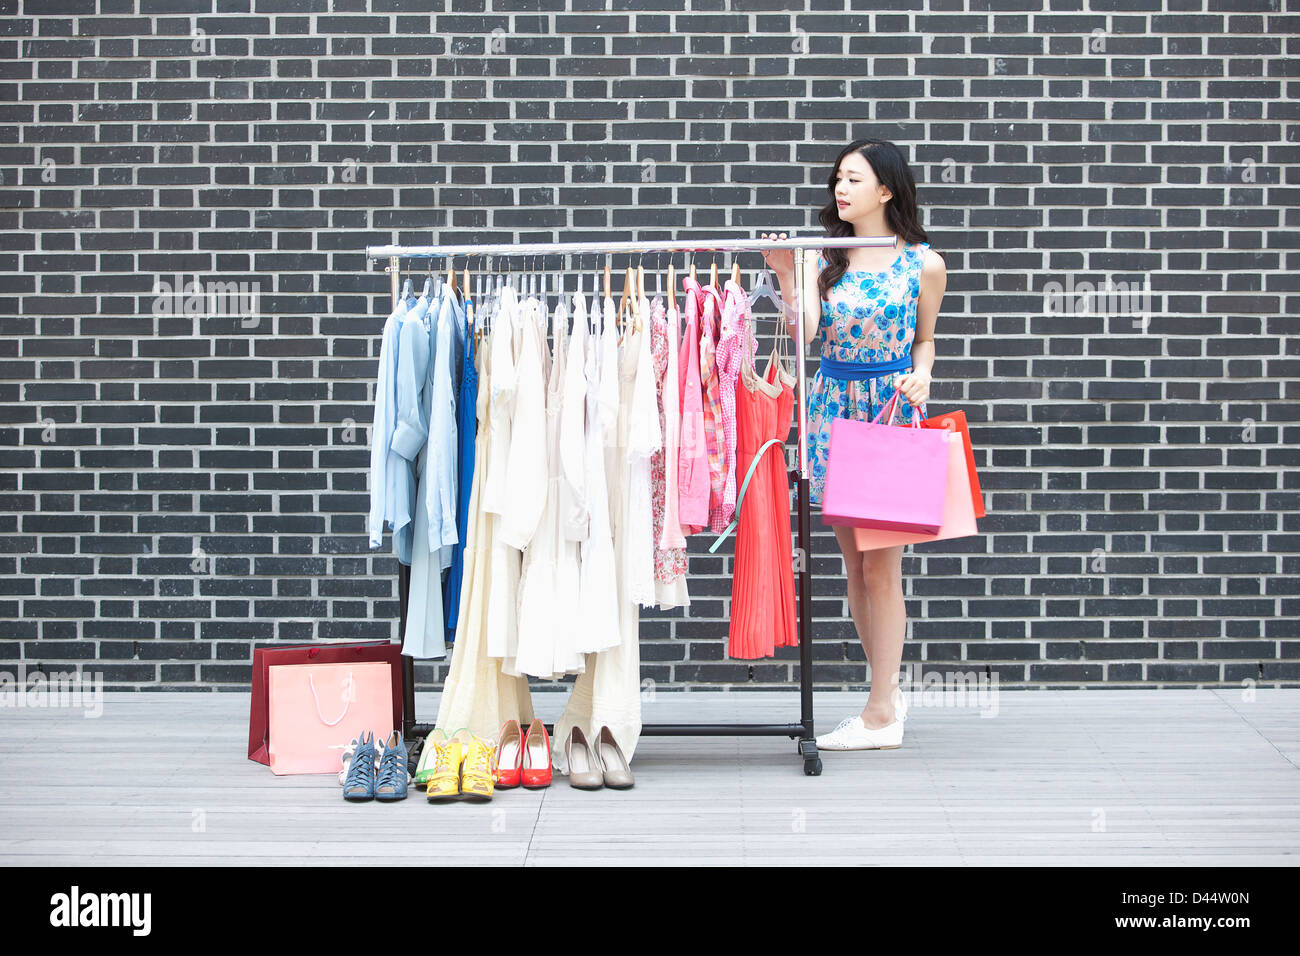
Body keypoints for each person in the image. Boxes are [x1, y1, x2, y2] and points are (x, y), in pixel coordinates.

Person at [760, 139, 947, 751]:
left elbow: (925, 339)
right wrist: (791, 277)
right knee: (854, 565)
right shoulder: (823, 257)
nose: (840, 189)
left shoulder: (922, 262)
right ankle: (885, 694)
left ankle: (878, 714)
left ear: (886, 190)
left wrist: (925, 372)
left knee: (883, 566)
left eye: (854, 179)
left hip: (890, 412)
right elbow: (807, 333)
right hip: (833, 411)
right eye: (838, 179)